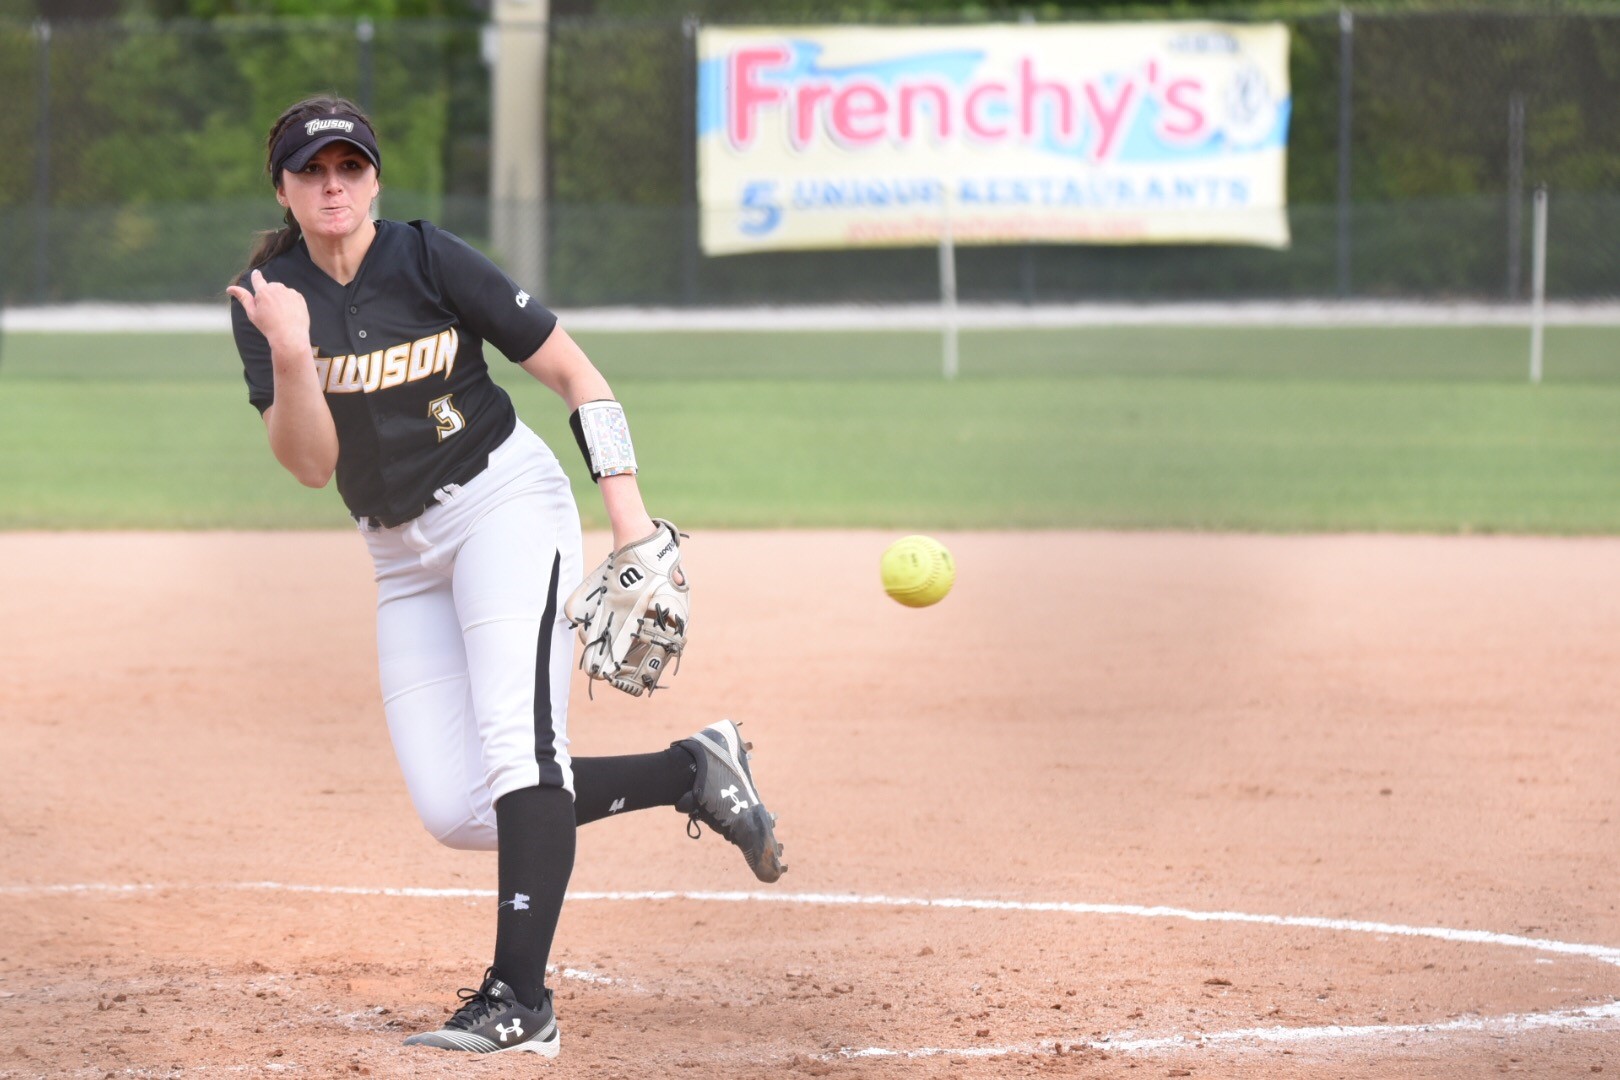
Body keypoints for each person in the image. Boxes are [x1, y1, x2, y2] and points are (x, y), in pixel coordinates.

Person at [227, 95, 785, 1058]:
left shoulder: (429, 258)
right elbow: (312, 465)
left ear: (373, 180)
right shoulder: (267, 298)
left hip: (503, 508)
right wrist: (288, 353)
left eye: (348, 167)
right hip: (396, 553)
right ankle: (692, 771)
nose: (332, 184)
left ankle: (520, 1002)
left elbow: (579, 376)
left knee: (522, 750)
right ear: (281, 184)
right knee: (457, 808)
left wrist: (629, 521)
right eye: (311, 170)